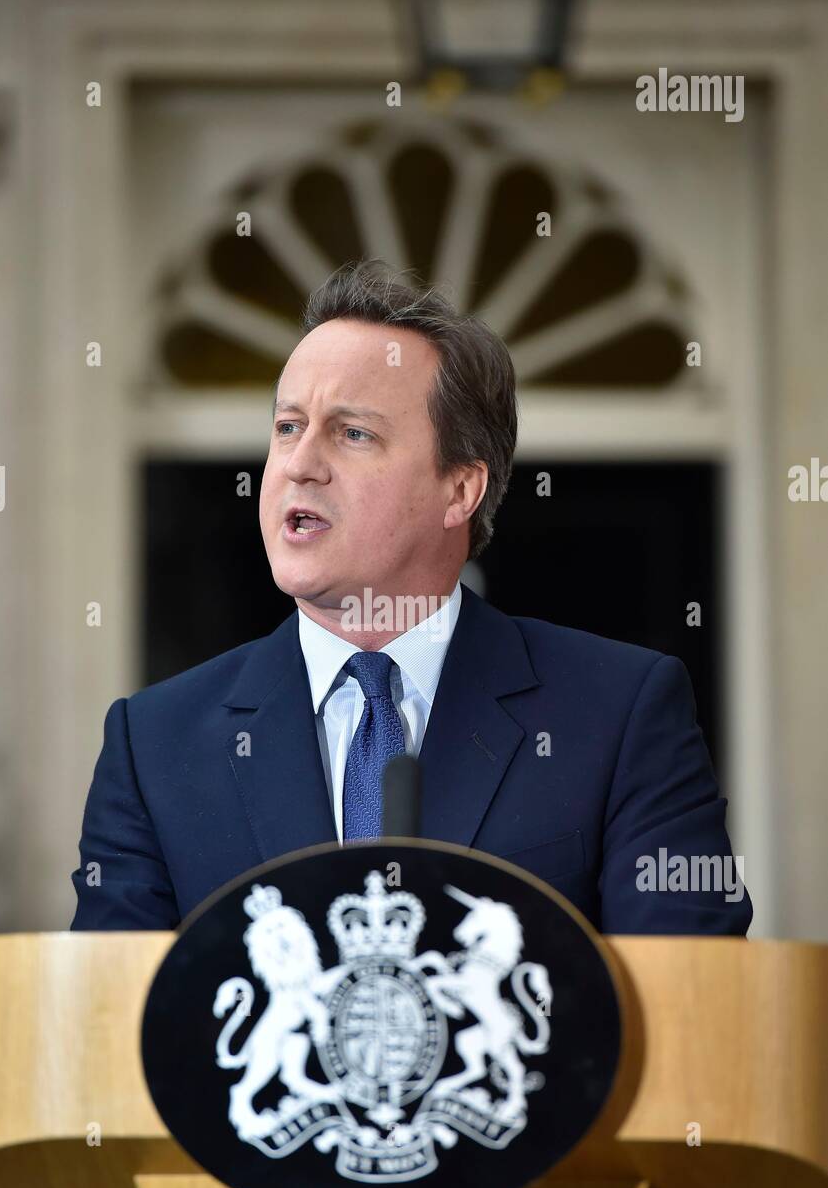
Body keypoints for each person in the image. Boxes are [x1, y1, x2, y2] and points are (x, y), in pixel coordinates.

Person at [70, 259, 751, 936]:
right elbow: (104, 1017)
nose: (299, 464)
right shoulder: (153, 744)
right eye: (287, 427)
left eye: (351, 433)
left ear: (459, 490)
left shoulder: (621, 714)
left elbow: (694, 997)